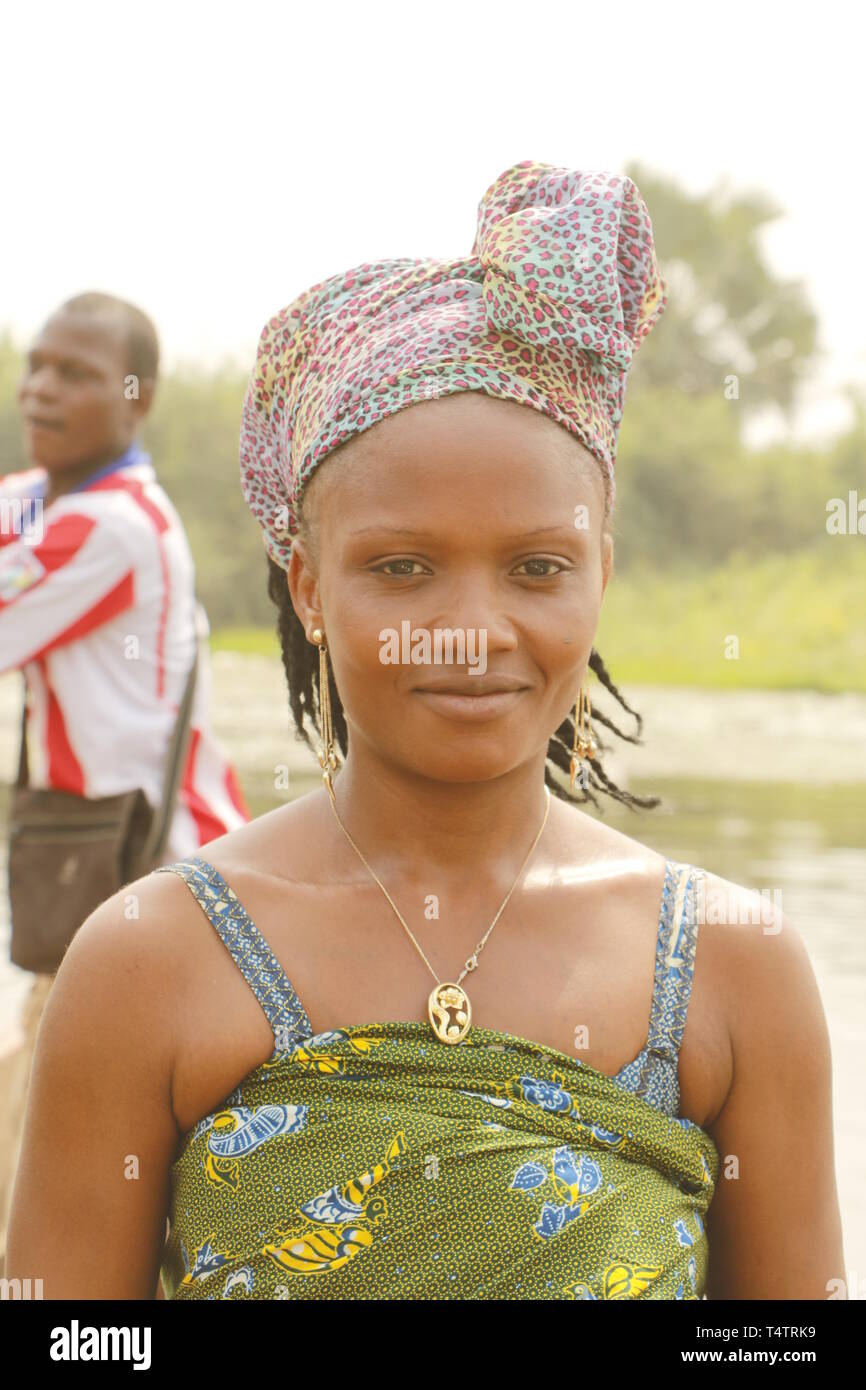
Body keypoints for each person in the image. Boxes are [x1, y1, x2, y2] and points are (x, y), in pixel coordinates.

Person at [7, 166, 843, 1300]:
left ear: (602, 575)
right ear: (306, 587)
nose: (468, 632)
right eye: (400, 568)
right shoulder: (149, 960)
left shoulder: (732, 969)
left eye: (536, 568)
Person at [0, 291, 251, 1269]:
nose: (40, 388)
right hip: (115, 861)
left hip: (141, 876)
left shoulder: (109, 525)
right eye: (35, 365)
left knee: (62, 1182)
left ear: (135, 398)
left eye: (75, 373)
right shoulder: (57, 500)